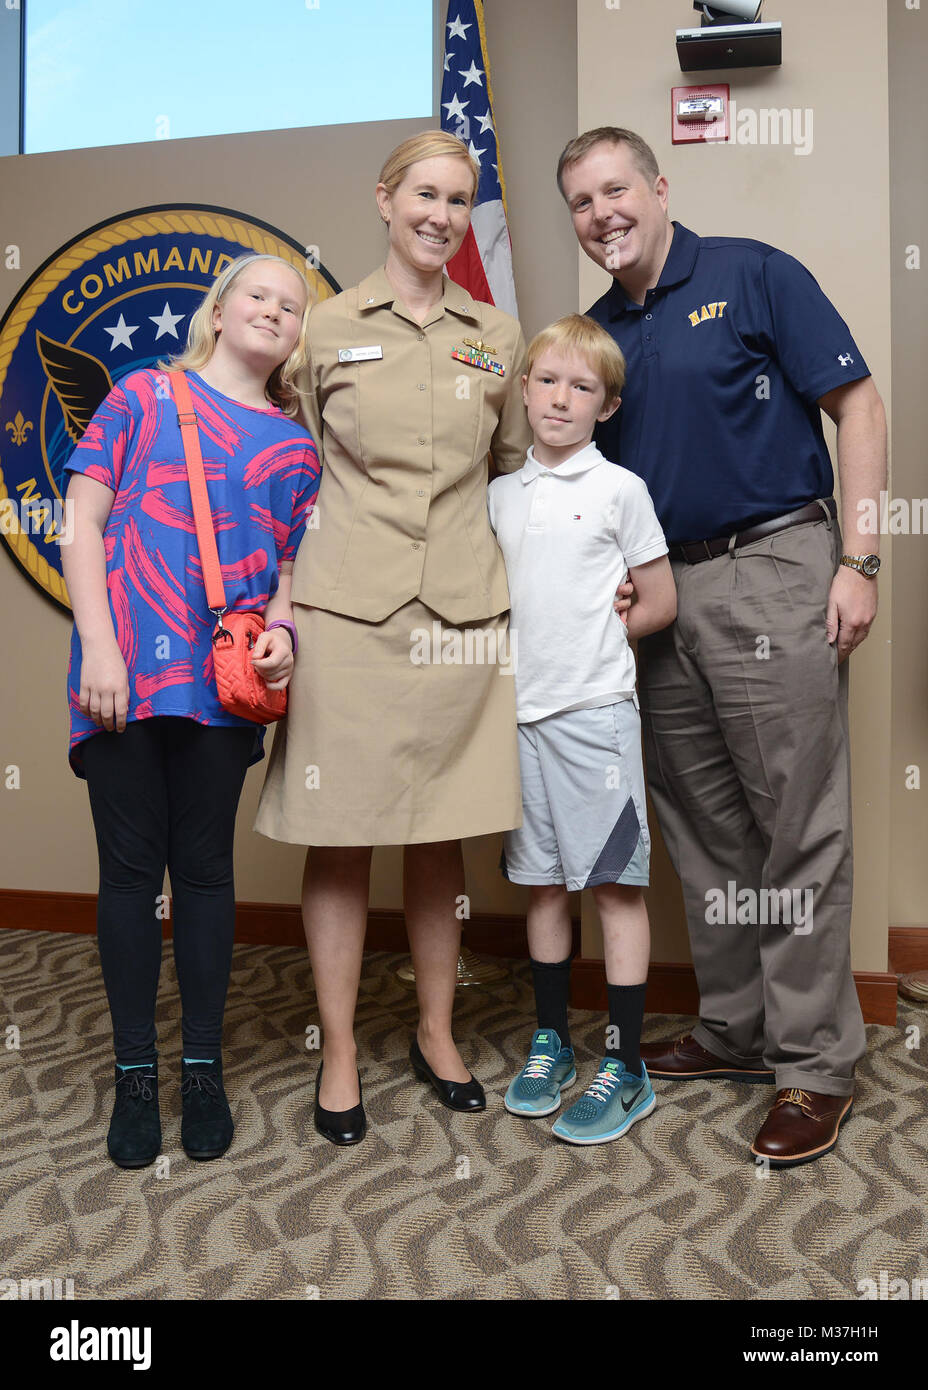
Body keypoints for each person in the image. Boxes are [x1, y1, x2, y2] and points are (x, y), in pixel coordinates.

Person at [556, 127, 887, 1168]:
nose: (602, 212)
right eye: (580, 200)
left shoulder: (751, 273)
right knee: (702, 829)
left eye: (616, 189)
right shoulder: (599, 332)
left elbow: (858, 404)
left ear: (658, 187)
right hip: (657, 594)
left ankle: (812, 1064)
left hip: (771, 564)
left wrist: (861, 559)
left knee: (794, 827)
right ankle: (737, 1026)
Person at [254, 131, 532, 1145]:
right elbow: (296, 473)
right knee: (340, 834)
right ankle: (336, 1048)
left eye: (459, 200)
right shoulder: (321, 329)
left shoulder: (495, 336)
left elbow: (509, 470)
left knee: (437, 830)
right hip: (347, 611)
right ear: (385, 199)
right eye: (425, 194)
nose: (442, 215)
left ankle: (434, 1028)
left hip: (461, 615)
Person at [62, 254, 320, 1168]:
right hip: (123, 672)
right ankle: (136, 1073)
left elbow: (286, 575)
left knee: (206, 871)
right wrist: (98, 644)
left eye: (291, 307)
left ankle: (201, 1067)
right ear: (218, 312)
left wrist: (284, 634)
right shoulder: (141, 394)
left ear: (296, 339)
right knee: (131, 873)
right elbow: (81, 520)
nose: (274, 310)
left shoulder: (296, 447)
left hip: (222, 687)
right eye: (258, 294)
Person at [487, 314, 676, 1145]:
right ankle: (553, 1044)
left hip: (593, 719)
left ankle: (626, 1065)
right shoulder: (498, 494)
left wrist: (602, 638)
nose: (561, 399)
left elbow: (659, 601)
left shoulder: (619, 490)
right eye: (547, 380)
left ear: (607, 406)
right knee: (540, 884)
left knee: (612, 887)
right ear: (523, 388)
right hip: (515, 720)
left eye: (582, 387)